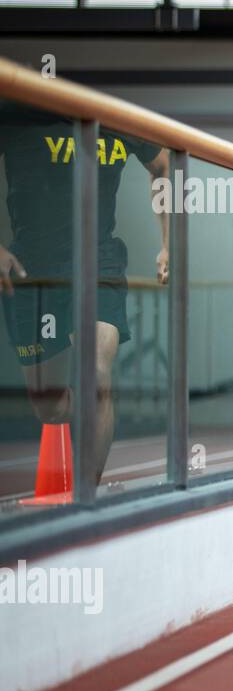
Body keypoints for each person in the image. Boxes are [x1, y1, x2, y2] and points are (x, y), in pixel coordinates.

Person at [0, 104, 170, 488]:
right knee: (50, 407)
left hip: (99, 261)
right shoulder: (17, 114)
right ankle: (82, 414)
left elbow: (162, 165)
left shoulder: (116, 118)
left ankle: (87, 499)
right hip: (33, 269)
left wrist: (168, 244)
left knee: (96, 372)